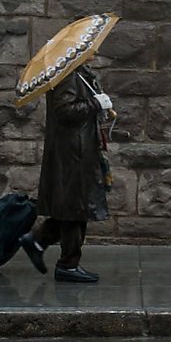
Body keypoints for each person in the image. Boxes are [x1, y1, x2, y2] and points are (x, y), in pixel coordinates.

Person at [32, 60, 114, 284]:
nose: (94, 51)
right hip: (73, 152)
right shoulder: (67, 75)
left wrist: (99, 104)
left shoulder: (79, 73)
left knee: (77, 206)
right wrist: (95, 104)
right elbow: (64, 111)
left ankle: (38, 241)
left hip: (80, 148)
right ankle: (67, 264)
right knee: (76, 208)